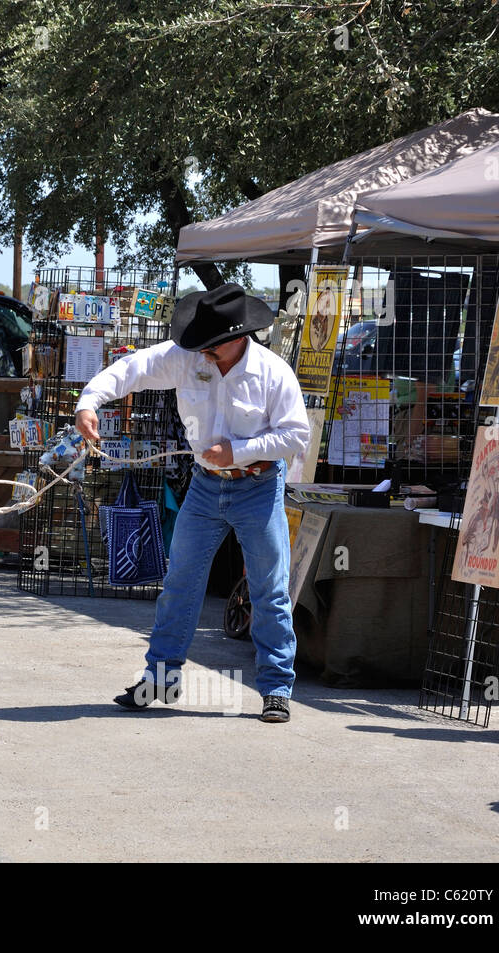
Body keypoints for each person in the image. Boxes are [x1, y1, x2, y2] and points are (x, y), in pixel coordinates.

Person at [75, 283, 310, 723]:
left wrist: (237, 453)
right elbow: (132, 368)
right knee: (180, 581)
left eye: (210, 345)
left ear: (237, 337)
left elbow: (296, 436)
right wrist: (90, 401)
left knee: (269, 588)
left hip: (256, 484)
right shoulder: (190, 355)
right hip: (206, 484)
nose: (201, 352)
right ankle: (161, 676)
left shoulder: (274, 373)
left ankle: (277, 687)